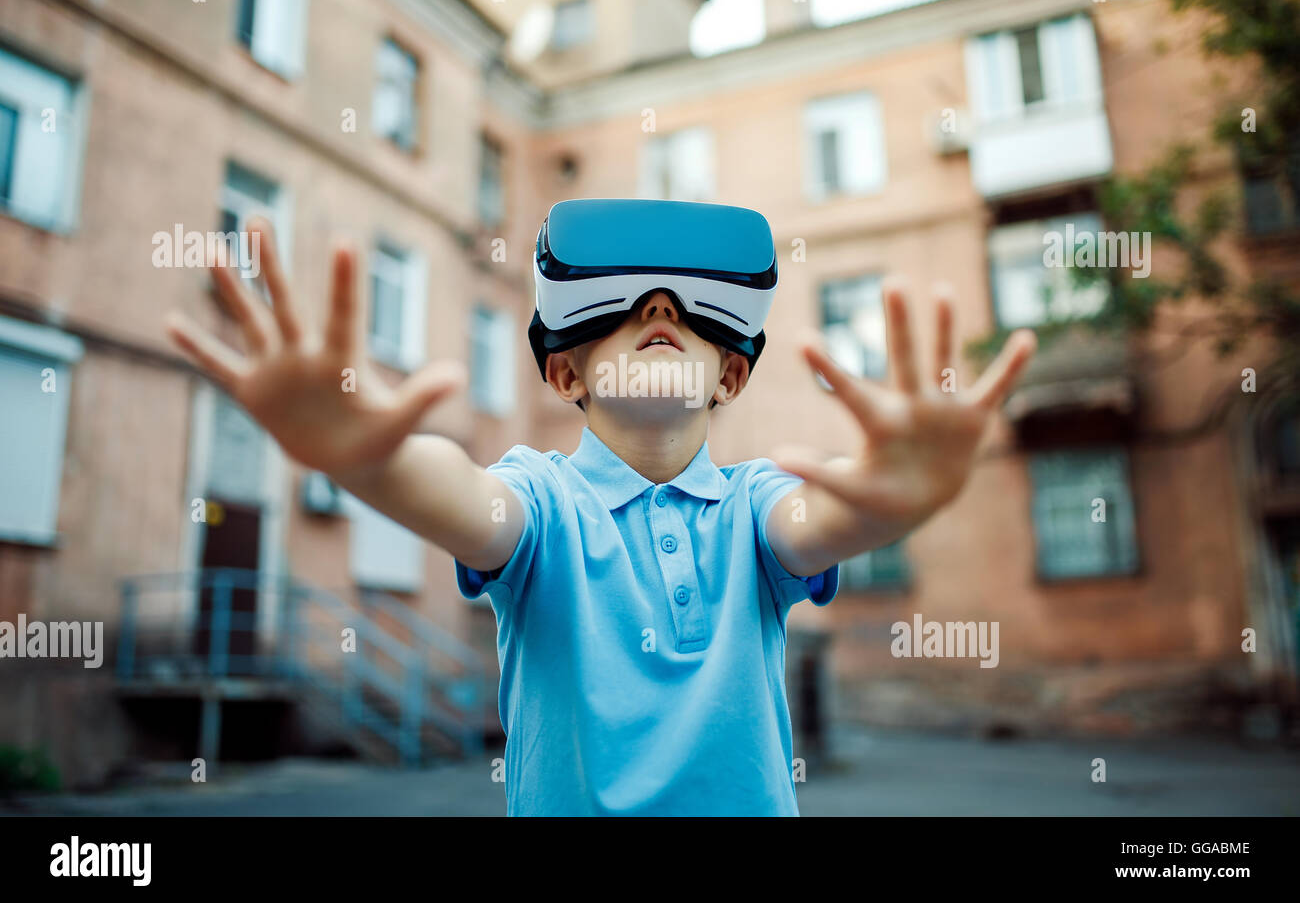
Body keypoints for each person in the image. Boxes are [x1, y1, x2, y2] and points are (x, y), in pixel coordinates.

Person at [164, 199, 1036, 815]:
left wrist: (901, 502)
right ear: (566, 375)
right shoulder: (542, 502)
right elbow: (467, 501)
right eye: (625, 309)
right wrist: (367, 461)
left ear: (729, 376)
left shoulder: (752, 507)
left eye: (691, 316)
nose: (660, 308)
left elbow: (822, 524)